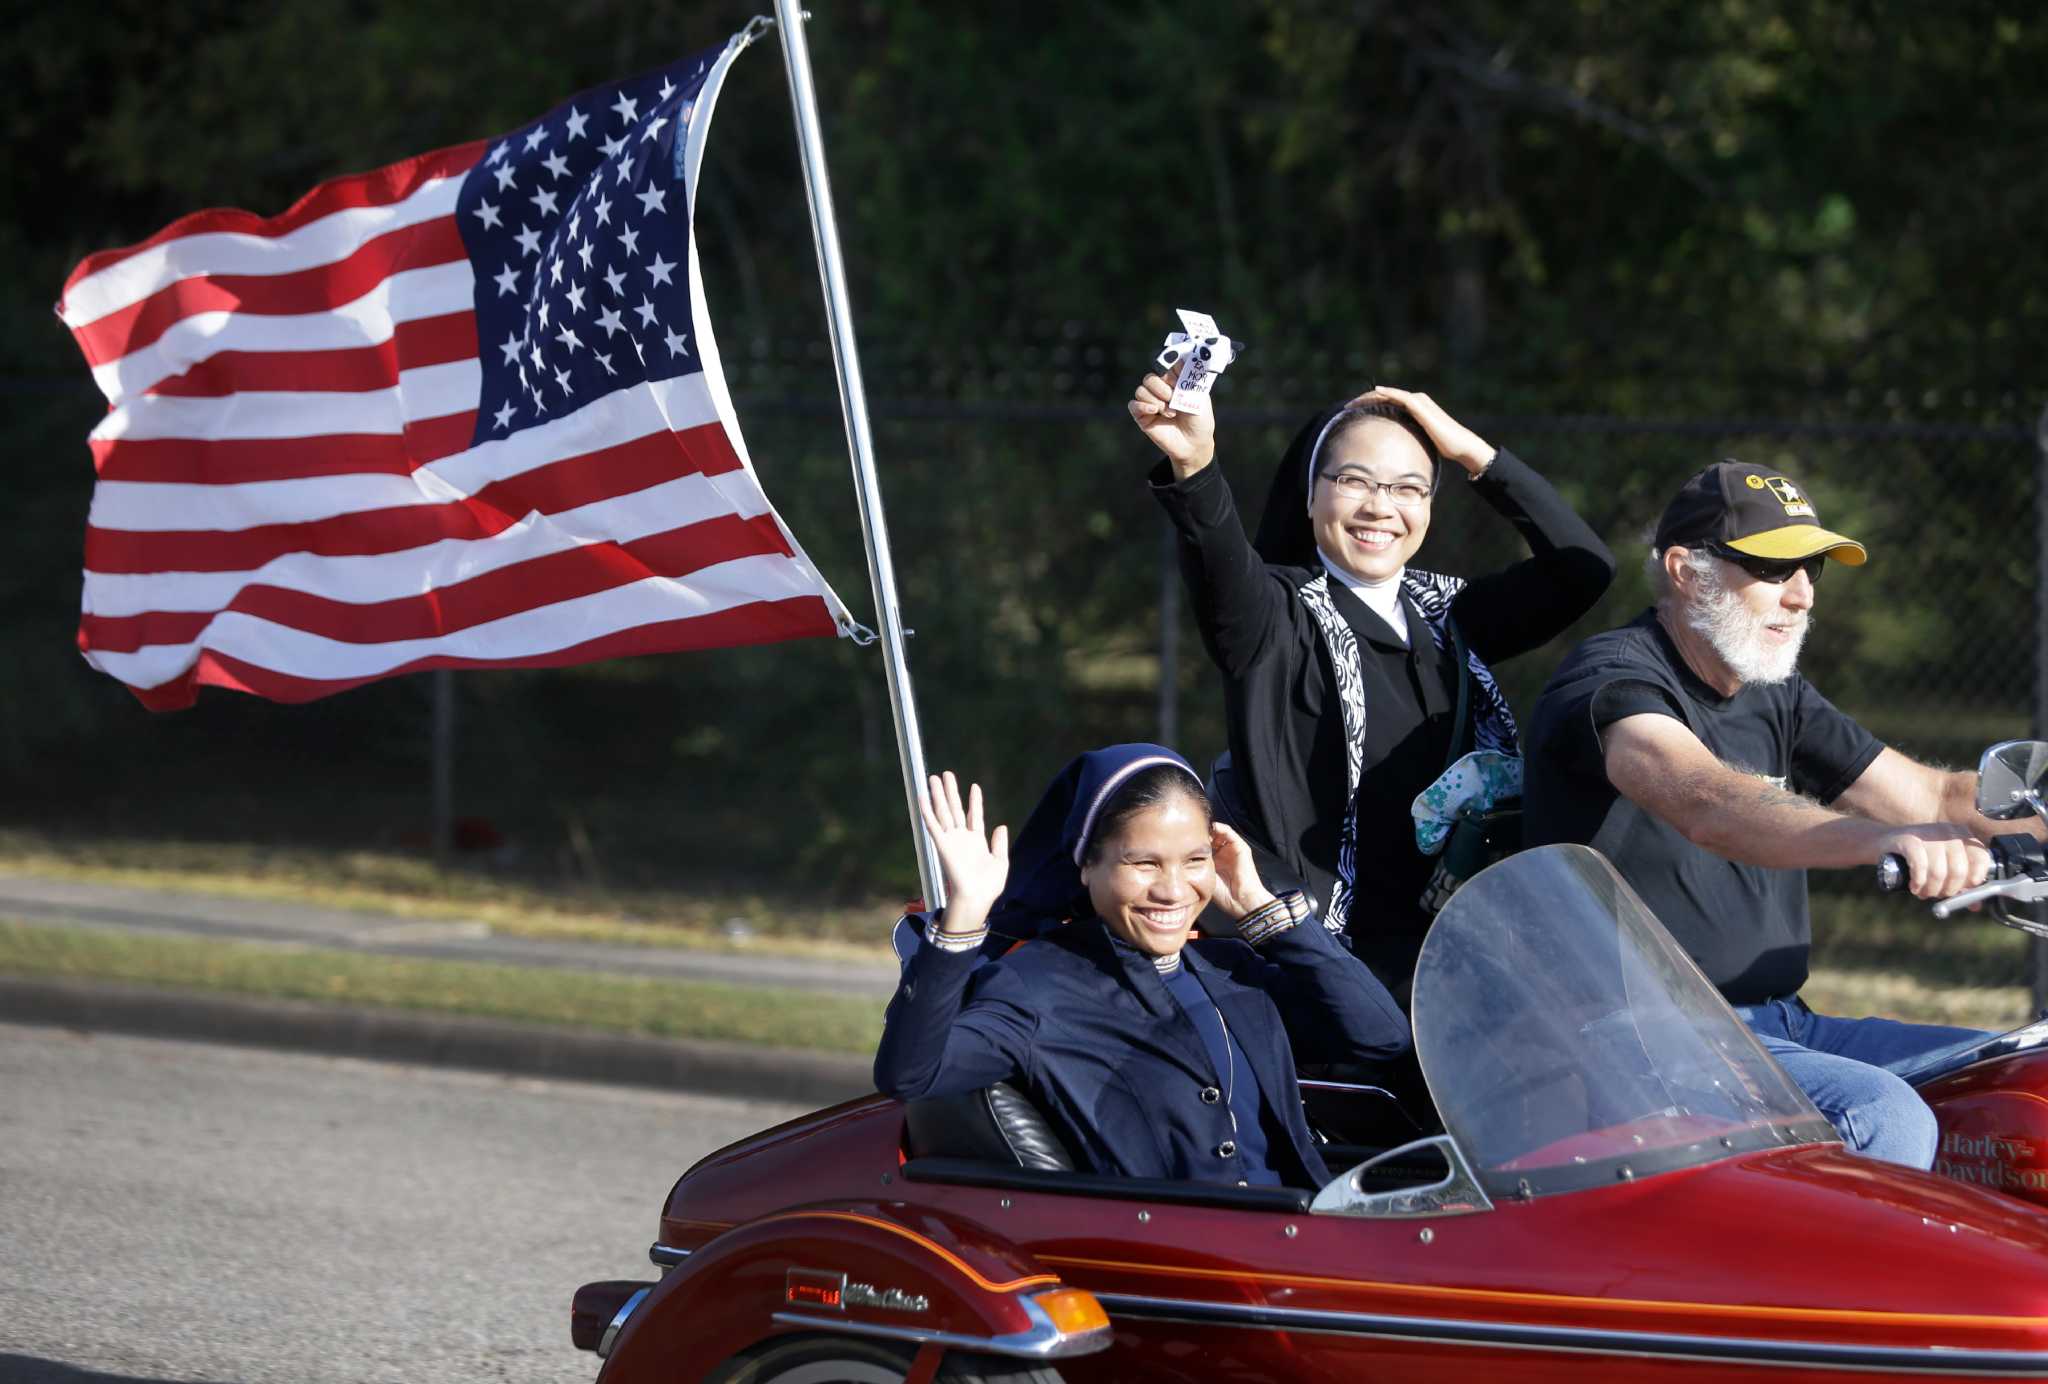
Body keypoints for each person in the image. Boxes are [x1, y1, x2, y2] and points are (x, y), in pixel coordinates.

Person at [1522, 459, 2006, 1168]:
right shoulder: (1612, 681)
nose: (1803, 596)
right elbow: (1708, 801)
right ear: (1686, 571)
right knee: (1877, 1112)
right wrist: (1885, 841)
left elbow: (1934, 799)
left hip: (1779, 1025)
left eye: (1813, 570)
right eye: (1775, 571)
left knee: (2015, 1080)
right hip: (1636, 1040)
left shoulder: (1767, 688)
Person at [1128, 375, 1613, 998]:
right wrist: (1193, 463)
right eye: (1353, 480)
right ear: (1310, 494)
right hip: (1323, 961)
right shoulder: (1273, 616)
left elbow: (1583, 568)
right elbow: (1217, 552)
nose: (1381, 507)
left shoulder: (1449, 615)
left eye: (1409, 488)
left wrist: (1474, 455)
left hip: (1458, 952)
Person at [874, 744, 1409, 1189]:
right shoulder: (1038, 986)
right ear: (1087, 865)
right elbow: (910, 1074)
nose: (1174, 890)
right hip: (1180, 1268)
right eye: (1144, 862)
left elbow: (1381, 1037)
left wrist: (1263, 910)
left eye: (1195, 860)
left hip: (1306, 1238)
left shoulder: (1234, 970)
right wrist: (963, 918)